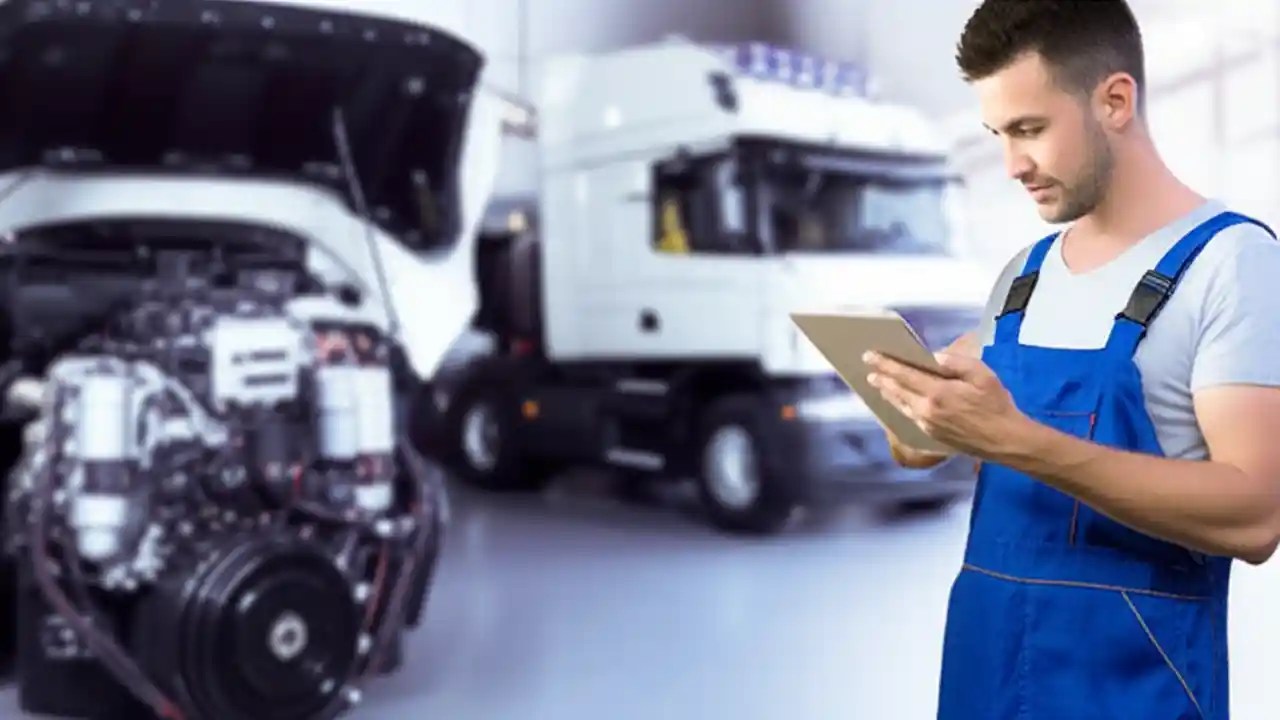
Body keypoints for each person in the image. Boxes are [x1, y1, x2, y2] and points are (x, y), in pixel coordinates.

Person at [863, 1, 1280, 718]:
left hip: (1134, 686)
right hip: (984, 672)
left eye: (1030, 129)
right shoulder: (1022, 277)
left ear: (1115, 100)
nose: (1011, 164)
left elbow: (1256, 516)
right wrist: (925, 427)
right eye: (997, 134)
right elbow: (973, 451)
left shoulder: (1232, 263)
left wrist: (1019, 441)